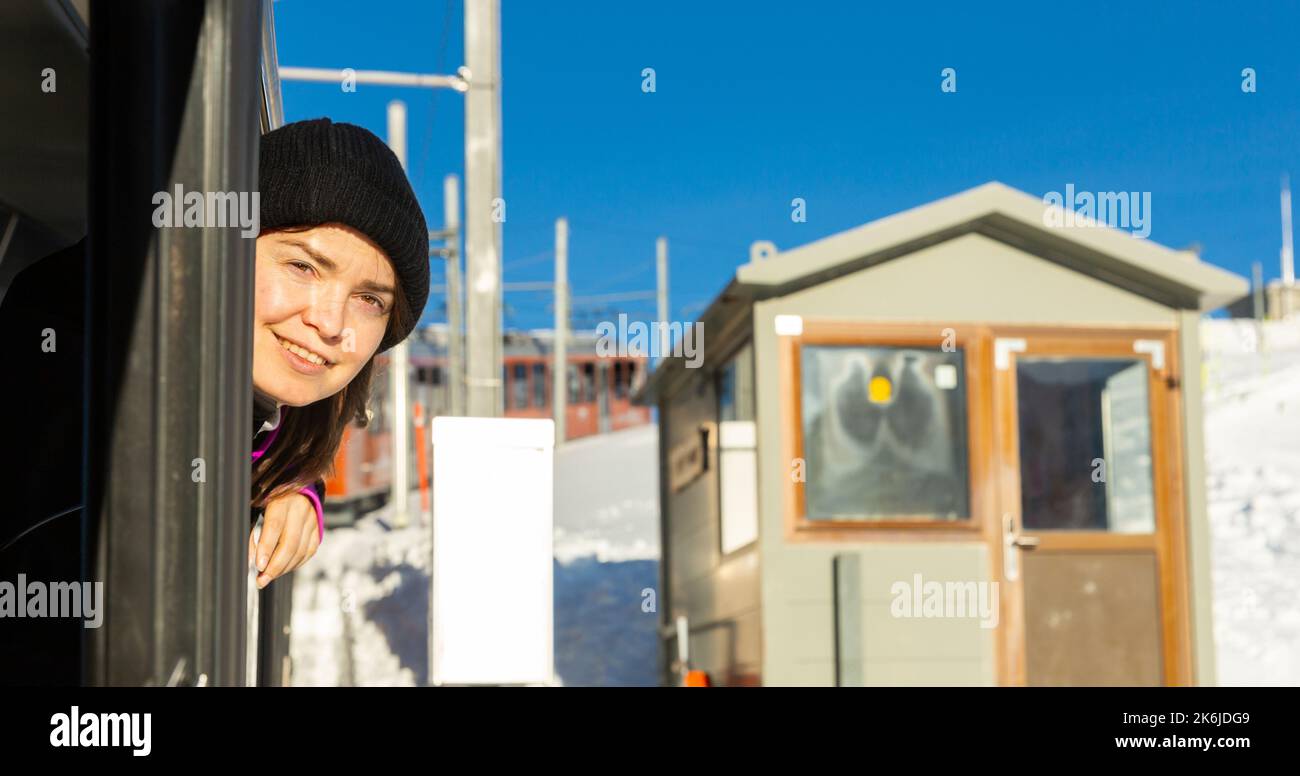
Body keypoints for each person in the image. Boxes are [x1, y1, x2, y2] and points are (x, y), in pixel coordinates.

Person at [246, 117, 429, 588]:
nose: (329, 324)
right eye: (302, 266)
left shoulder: (264, 427)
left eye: (370, 300)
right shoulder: (90, 405)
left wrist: (292, 482)